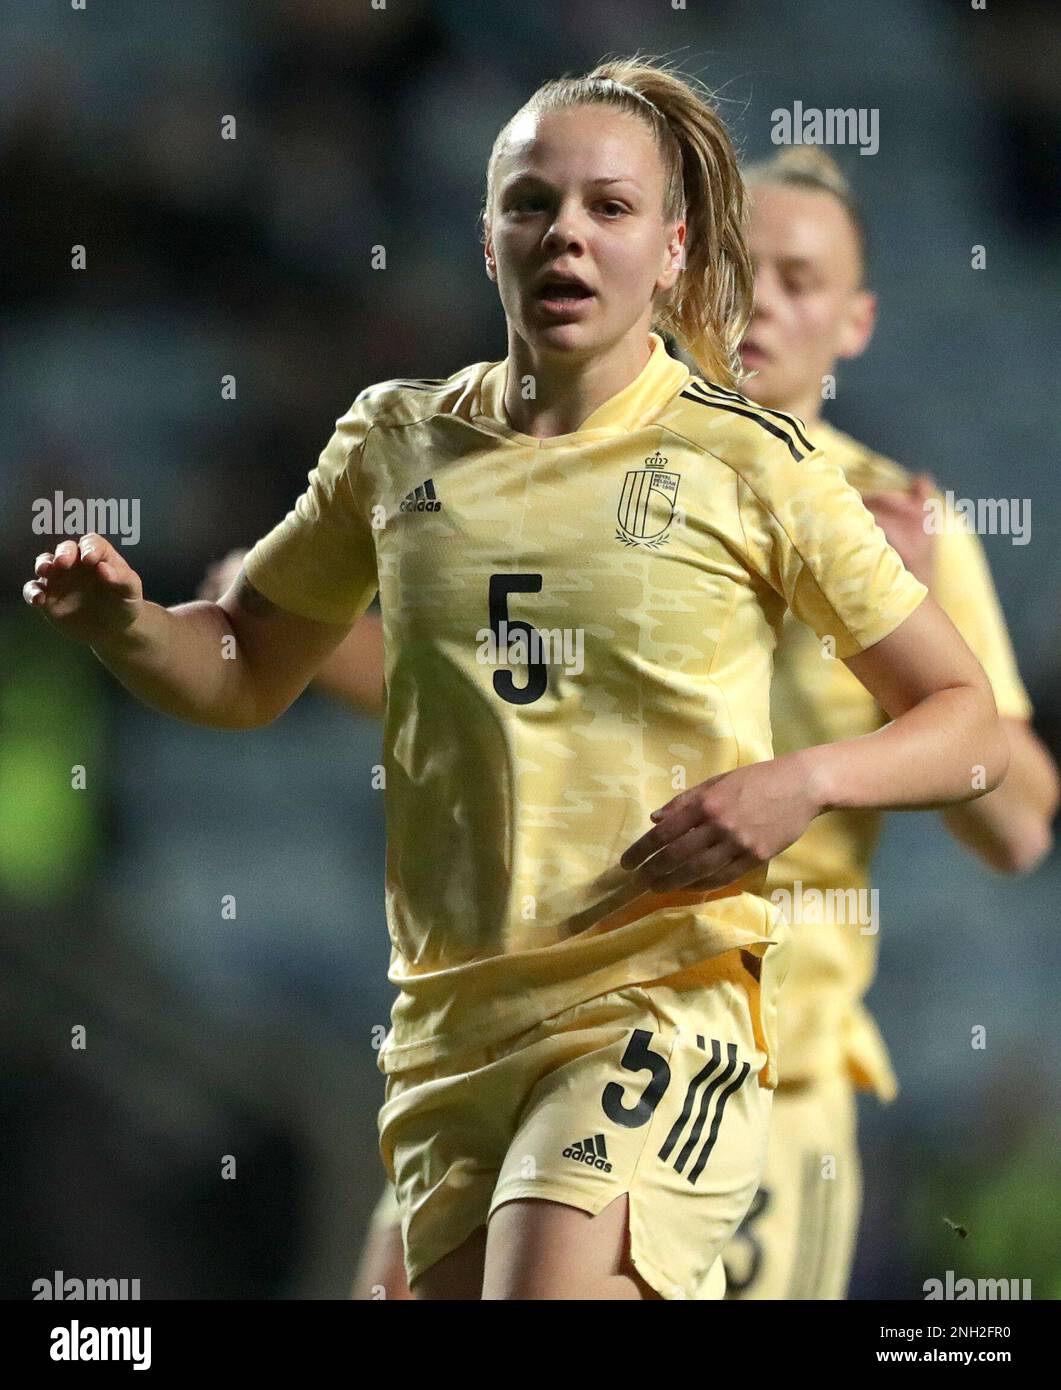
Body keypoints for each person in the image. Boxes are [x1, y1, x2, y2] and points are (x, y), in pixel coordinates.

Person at [24, 56, 1009, 1301]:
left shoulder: (750, 464)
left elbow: (965, 722)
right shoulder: (395, 441)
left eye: (608, 206)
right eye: (531, 203)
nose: (566, 236)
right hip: (448, 1034)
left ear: (671, 250)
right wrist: (125, 626)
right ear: (486, 238)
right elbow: (242, 670)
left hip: (649, 1006)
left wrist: (802, 781)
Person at [718, 146, 1059, 1300]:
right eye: (731, 266)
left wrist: (901, 645)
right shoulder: (565, 489)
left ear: (853, 322)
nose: (759, 299)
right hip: (538, 1049)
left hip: (763, 1087)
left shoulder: (903, 524)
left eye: (799, 279)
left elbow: (1017, 827)